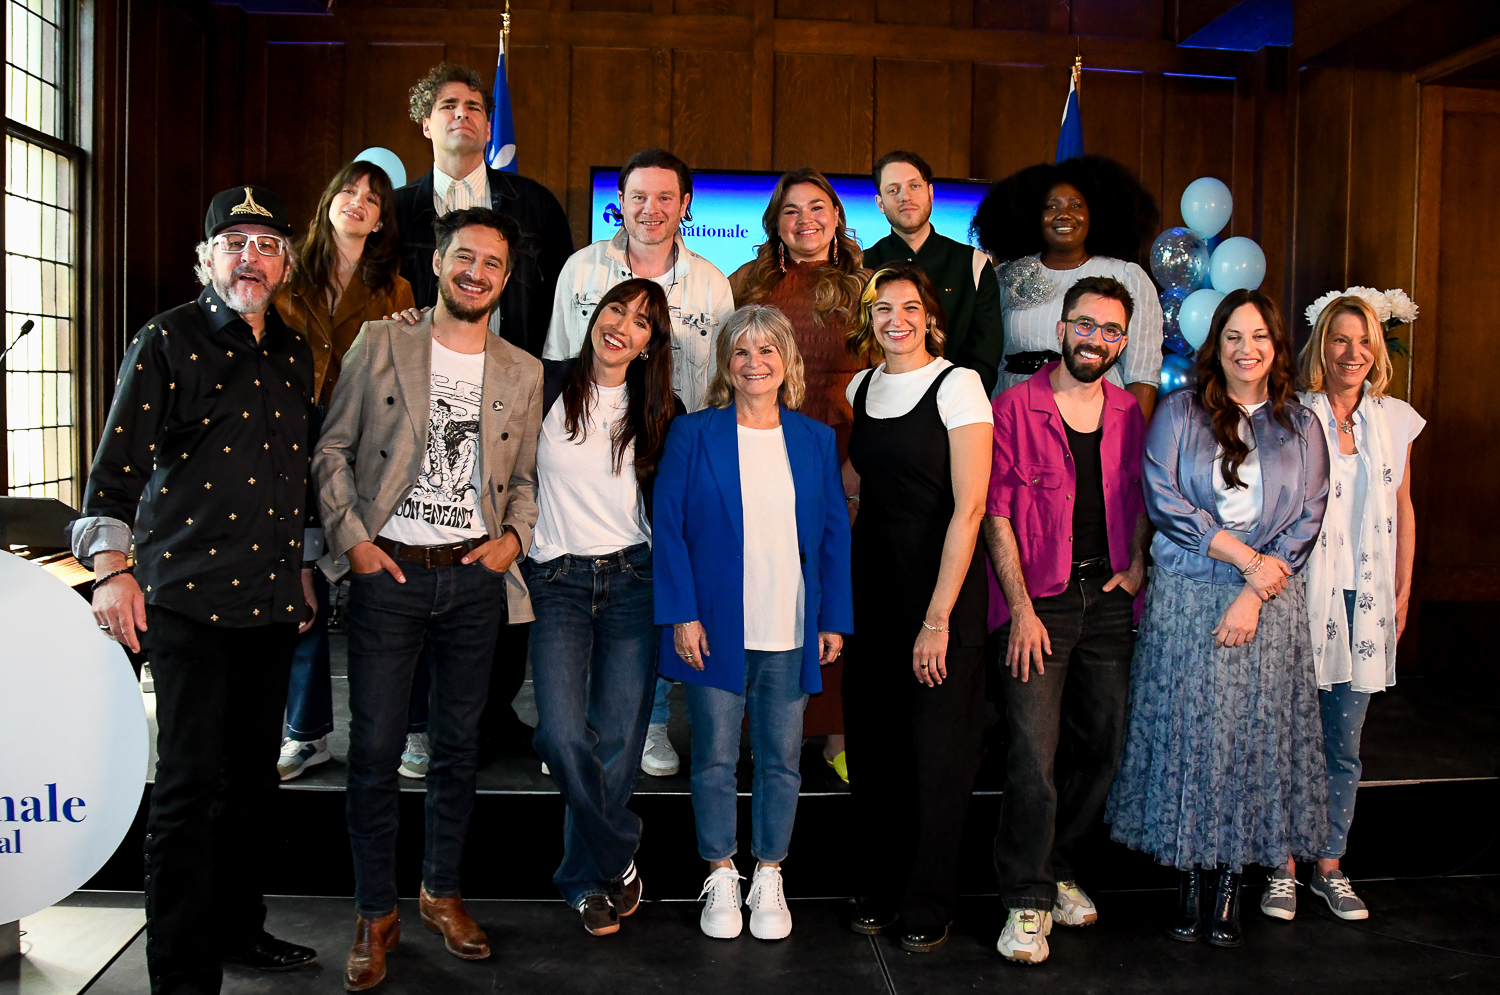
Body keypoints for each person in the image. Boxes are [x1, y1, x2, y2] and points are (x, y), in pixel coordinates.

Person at [69, 185, 320, 993]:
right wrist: (112, 570)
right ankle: (181, 972)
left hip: (273, 604)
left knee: (251, 786)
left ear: (285, 263)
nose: (252, 256)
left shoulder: (292, 349)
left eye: (267, 243)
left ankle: (238, 929)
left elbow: (296, 476)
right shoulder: (165, 341)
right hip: (186, 605)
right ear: (206, 257)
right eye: (235, 241)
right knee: (187, 791)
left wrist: (307, 566)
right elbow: (113, 476)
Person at [314, 207, 543, 991]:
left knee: (458, 749)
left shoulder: (522, 368)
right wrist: (355, 543)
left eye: (493, 263)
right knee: (376, 752)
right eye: (465, 258)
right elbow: (332, 449)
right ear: (440, 262)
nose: (477, 273)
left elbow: (527, 479)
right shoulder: (381, 341)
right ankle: (374, 912)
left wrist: (512, 540)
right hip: (392, 577)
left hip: (475, 580)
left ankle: (441, 890)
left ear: (505, 279)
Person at [1105, 289, 1330, 949]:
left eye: (1258, 336)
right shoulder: (1179, 412)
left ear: (1276, 346)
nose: (1246, 348)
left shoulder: (1301, 425)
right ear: (1216, 344)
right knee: (1192, 738)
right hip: (1190, 595)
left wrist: (1255, 590)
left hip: (1266, 605)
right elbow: (1165, 496)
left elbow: (1310, 513)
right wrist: (1243, 560)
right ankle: (1190, 880)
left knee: (1246, 744)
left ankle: (1231, 878)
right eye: (1233, 335)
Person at [654, 304, 853, 941]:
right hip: (714, 626)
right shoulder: (694, 434)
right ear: (726, 364)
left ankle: (769, 871)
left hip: (790, 627)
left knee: (781, 761)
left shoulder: (815, 439)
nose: (754, 363)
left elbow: (831, 537)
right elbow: (670, 530)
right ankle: (720, 871)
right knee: (712, 758)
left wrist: (832, 620)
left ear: (787, 362)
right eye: (742, 352)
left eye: (768, 351)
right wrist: (681, 613)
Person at [393, 60, 571, 766]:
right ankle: (416, 723)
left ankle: (492, 713)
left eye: (474, 105)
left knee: (502, 564)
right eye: (448, 105)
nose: (463, 114)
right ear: (425, 121)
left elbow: (558, 318)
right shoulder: (398, 210)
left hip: (511, 411)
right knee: (416, 566)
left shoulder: (535, 205)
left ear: (489, 124)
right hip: (416, 420)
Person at [540, 147, 736, 777]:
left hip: (676, 443)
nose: (650, 210)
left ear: (685, 205)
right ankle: (574, 726)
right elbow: (557, 362)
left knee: (654, 580)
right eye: (638, 196)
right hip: (583, 442)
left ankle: (647, 724)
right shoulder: (579, 269)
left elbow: (723, 380)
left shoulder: (711, 282)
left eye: (664, 197)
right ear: (618, 201)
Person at [985, 277, 1149, 965]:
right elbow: (995, 512)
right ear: (1061, 329)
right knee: (1032, 754)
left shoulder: (1128, 411)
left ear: (1122, 341)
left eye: (1111, 331)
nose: (1096, 339)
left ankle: (1060, 866)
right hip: (1038, 601)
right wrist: (1020, 607)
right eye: (1086, 325)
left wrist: (1137, 563)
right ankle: (1026, 899)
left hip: (1109, 598)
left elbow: (1144, 494)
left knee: (1102, 747)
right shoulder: (1014, 407)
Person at [841, 262, 993, 953]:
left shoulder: (959, 385)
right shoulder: (860, 385)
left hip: (941, 598)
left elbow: (970, 510)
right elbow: (858, 490)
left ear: (931, 316)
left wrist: (937, 619)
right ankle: (879, 882)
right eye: (881, 309)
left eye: (908, 307)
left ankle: (929, 897)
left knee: (937, 757)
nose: (894, 319)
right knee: (874, 752)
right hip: (871, 593)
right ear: (868, 320)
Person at [1258, 294, 1422, 924]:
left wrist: (1404, 589)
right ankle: (1281, 866)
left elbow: (1403, 507)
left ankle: (1330, 863)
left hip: (1368, 598)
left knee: (1343, 742)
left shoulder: (1395, 419)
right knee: (1287, 736)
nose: (1352, 353)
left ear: (1376, 350)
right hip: (1303, 595)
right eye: (1339, 340)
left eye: (1363, 342)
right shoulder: (1295, 414)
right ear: (1320, 348)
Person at [528, 278, 681, 936]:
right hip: (555, 579)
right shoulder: (542, 384)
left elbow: (672, 512)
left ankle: (586, 878)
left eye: (643, 321)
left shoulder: (661, 408)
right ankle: (620, 850)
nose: (624, 325)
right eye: (617, 309)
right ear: (596, 314)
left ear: (652, 343)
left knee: (618, 742)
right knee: (562, 734)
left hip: (632, 581)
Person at [272, 159, 417, 782]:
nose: (359, 202)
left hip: (367, 456)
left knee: (388, 595)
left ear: (383, 218)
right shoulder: (285, 275)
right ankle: (305, 734)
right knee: (300, 591)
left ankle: (410, 730)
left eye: (372, 197)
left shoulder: (397, 289)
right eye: (348, 191)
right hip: (284, 448)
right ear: (329, 201)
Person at [729, 167, 867, 777]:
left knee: (828, 587)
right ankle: (761, 726)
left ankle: (836, 731)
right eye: (791, 210)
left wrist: (857, 466)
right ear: (775, 223)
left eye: (817, 207)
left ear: (836, 217)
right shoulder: (747, 282)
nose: (804, 220)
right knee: (765, 582)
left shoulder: (867, 287)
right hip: (762, 441)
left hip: (842, 450)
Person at [971, 155, 1162, 419]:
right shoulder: (1005, 277)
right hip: (1015, 413)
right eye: (1051, 206)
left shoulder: (1127, 276)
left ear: (1094, 212)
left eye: (1076, 205)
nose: (1064, 214)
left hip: (1095, 414)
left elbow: (1142, 372)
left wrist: (1133, 438)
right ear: (1031, 215)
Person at [863, 150, 1005, 394]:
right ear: (880, 204)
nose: (905, 197)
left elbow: (985, 354)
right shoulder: (862, 267)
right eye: (893, 190)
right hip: (879, 403)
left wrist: (955, 402)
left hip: (956, 406)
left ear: (930, 193)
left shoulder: (974, 263)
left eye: (914, 186)